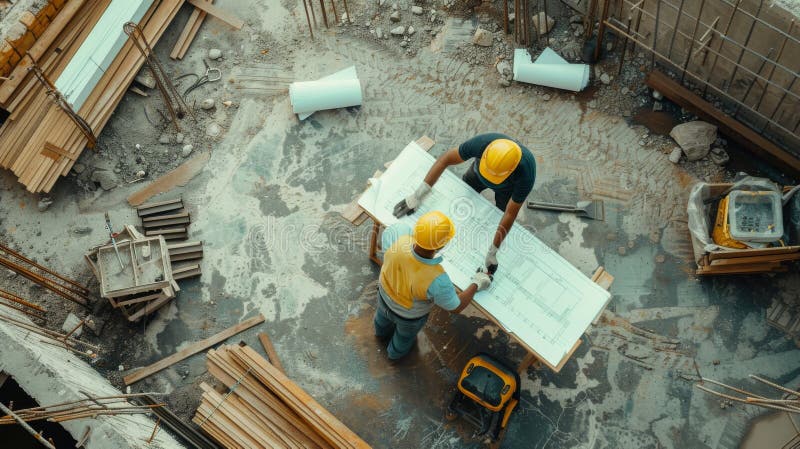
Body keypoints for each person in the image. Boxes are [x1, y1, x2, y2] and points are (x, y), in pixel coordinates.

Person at [393, 133, 536, 274]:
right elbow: (446, 159)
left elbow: (510, 213)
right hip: (477, 174)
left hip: (507, 189)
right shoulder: (484, 142)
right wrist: (418, 194)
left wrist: (493, 250)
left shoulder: (526, 172)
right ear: (485, 154)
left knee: (499, 213)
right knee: (465, 193)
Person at [375, 211, 493, 361]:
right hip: (408, 318)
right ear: (442, 245)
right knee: (403, 338)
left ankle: (379, 333)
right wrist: (477, 283)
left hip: (383, 299)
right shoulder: (437, 279)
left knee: (381, 320)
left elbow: (390, 244)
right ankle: (394, 354)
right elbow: (455, 306)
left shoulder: (399, 237)